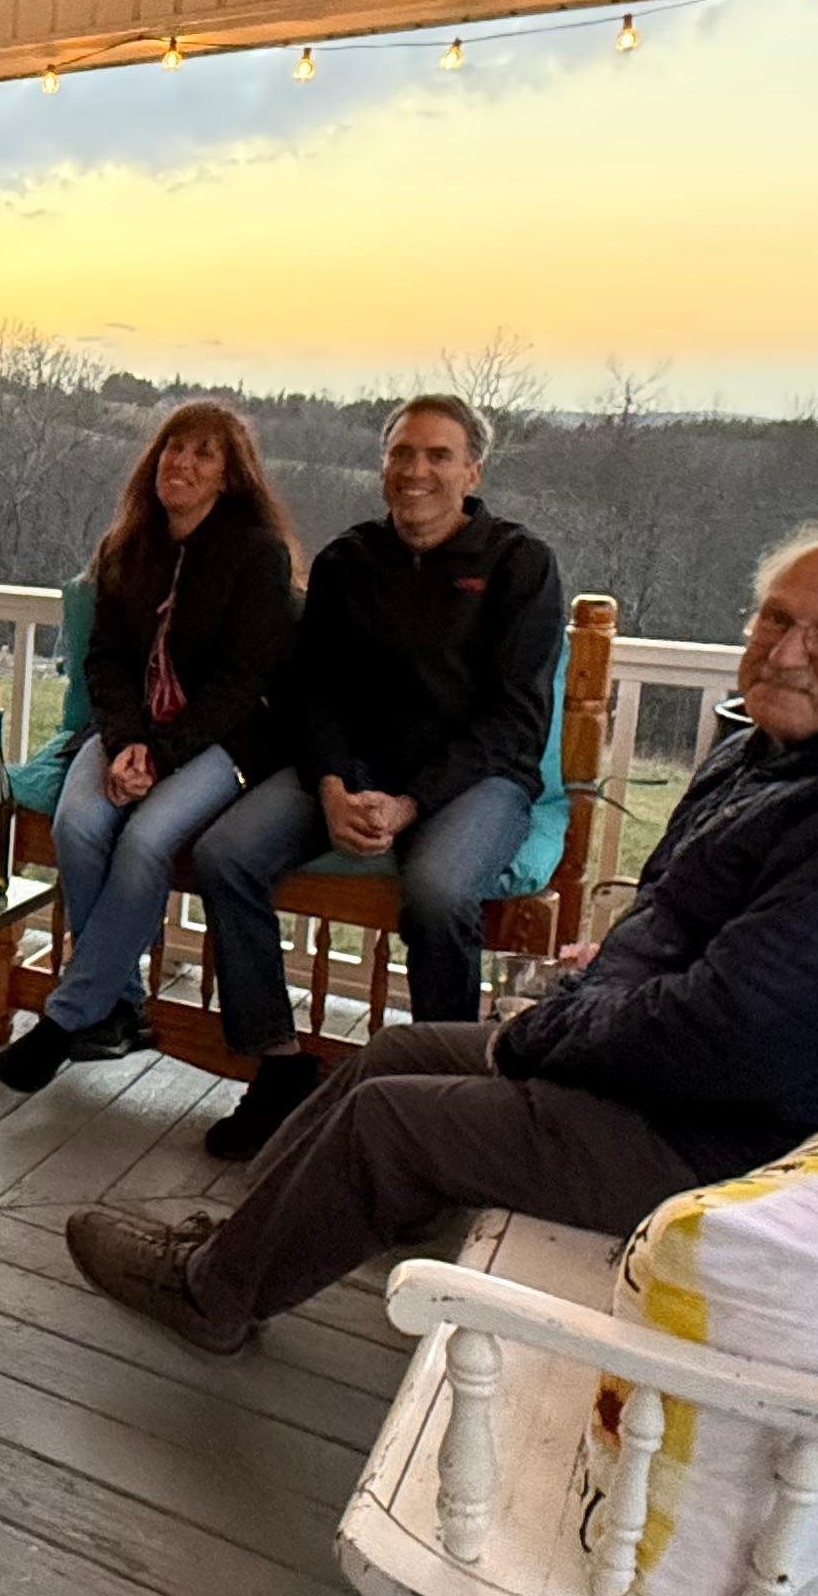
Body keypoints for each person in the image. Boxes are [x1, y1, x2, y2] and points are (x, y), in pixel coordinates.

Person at [65, 519, 818, 1356]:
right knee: (399, 1053)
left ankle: (214, 1298)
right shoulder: (810, 759)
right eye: (777, 618)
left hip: (731, 1145)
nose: (787, 650)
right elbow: (713, 941)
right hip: (676, 1079)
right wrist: (606, 978)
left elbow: (729, 1035)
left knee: (394, 1120)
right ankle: (252, 1238)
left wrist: (544, 1032)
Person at [191, 395, 563, 1162]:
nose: (416, 471)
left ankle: (442, 1110)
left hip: (476, 779)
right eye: (402, 454)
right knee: (225, 854)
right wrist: (331, 785)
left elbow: (515, 719)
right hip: (350, 770)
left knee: (435, 891)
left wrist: (409, 802)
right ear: (383, 465)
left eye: (437, 456)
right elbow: (314, 694)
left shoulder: (519, 564)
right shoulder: (347, 561)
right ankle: (276, 1066)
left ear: (472, 470)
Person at [0, 402, 300, 1092]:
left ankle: (68, 1017)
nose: (181, 464)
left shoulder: (255, 554)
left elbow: (242, 681)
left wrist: (160, 755)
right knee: (80, 823)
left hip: (222, 741)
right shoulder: (130, 545)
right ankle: (121, 1004)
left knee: (147, 839)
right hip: (127, 731)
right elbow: (103, 660)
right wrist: (128, 741)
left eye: (203, 454)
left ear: (229, 476)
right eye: (172, 449)